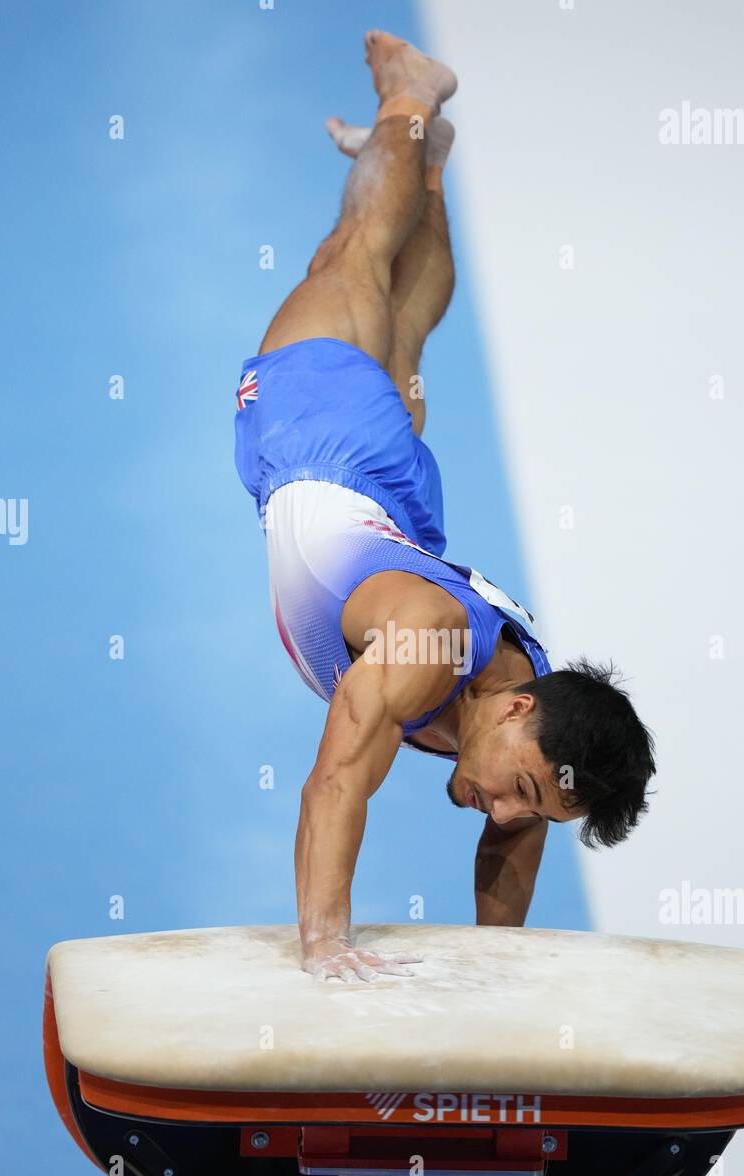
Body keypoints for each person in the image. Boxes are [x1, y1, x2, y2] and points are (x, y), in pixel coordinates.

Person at [234, 30, 655, 983]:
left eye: (537, 809)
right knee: (349, 259)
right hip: (325, 440)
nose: (506, 814)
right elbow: (338, 777)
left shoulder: (531, 727)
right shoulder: (430, 652)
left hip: (400, 521)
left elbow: (515, 843)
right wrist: (325, 948)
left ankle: (429, 170)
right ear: (514, 710)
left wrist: (493, 984)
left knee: (407, 331)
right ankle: (406, 105)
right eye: (522, 791)